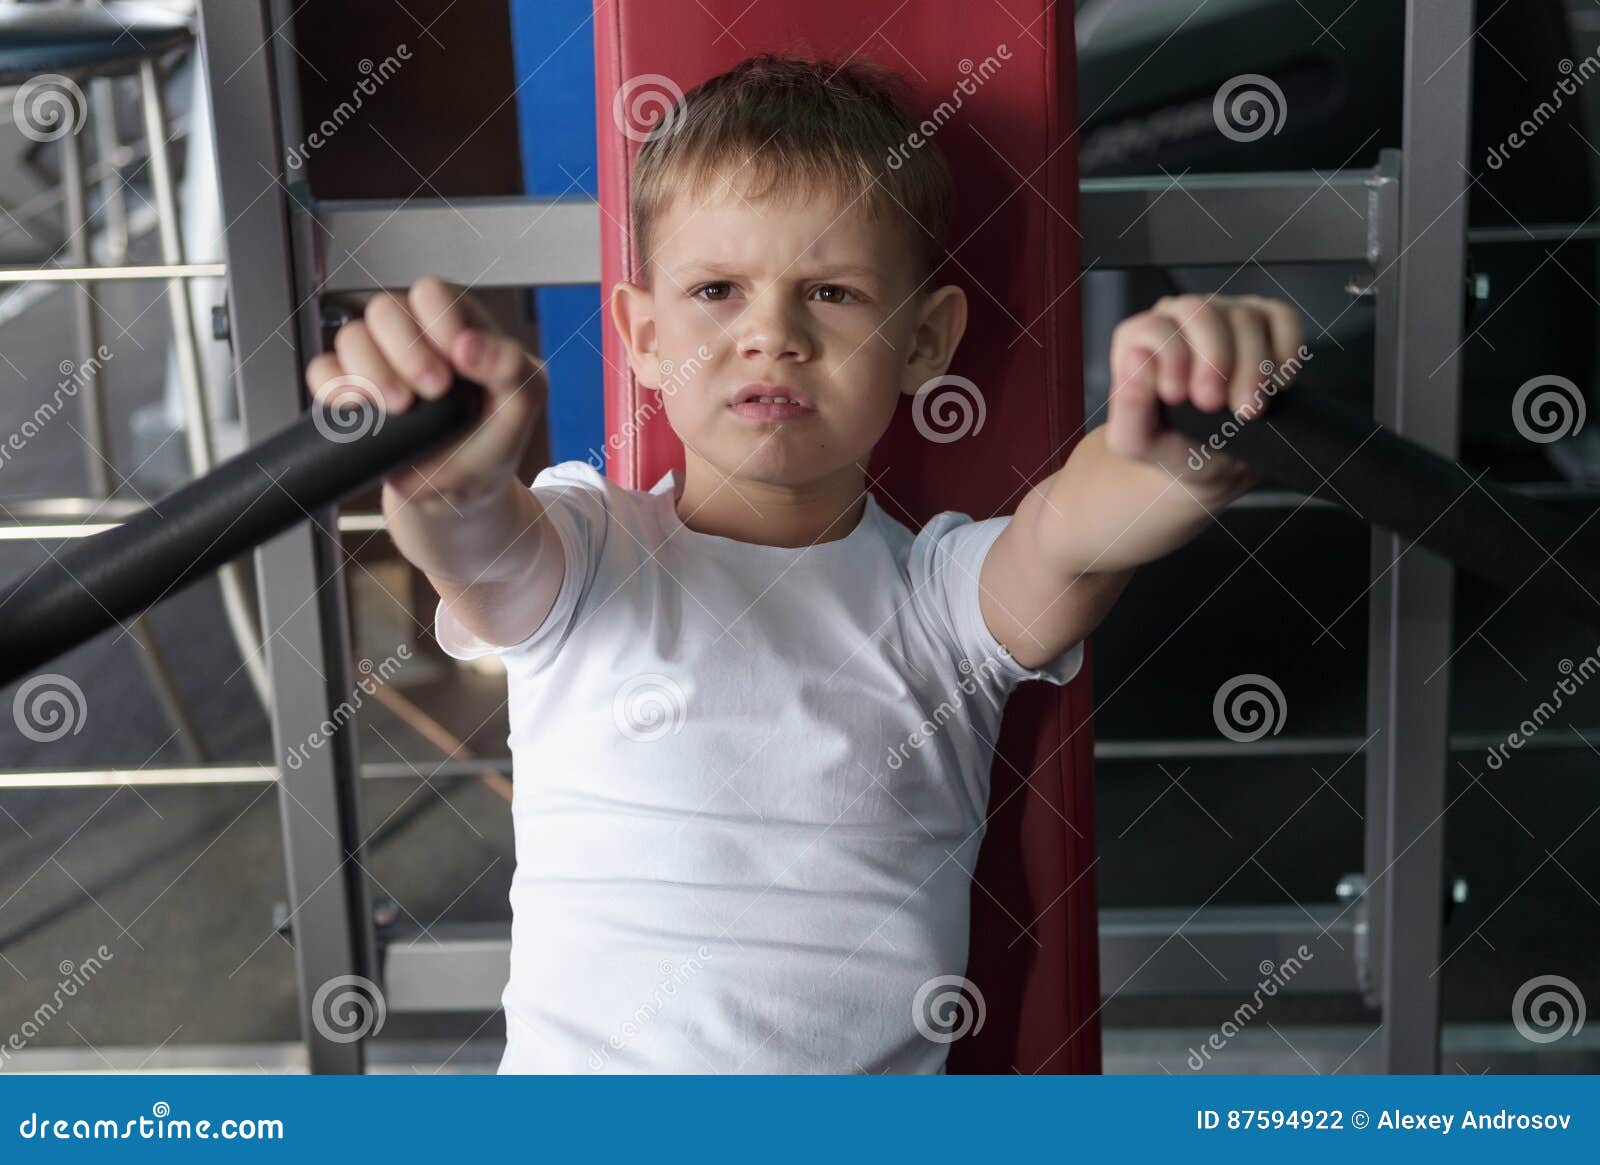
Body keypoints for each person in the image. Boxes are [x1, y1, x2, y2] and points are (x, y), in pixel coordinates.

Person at [304, 53, 1302, 1073]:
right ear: (644, 338)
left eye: (829, 291)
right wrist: (446, 485)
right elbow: (481, 549)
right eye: (716, 291)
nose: (770, 336)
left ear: (924, 342)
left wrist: (1174, 451)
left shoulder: (942, 602)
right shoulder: (590, 546)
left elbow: (1071, 538)